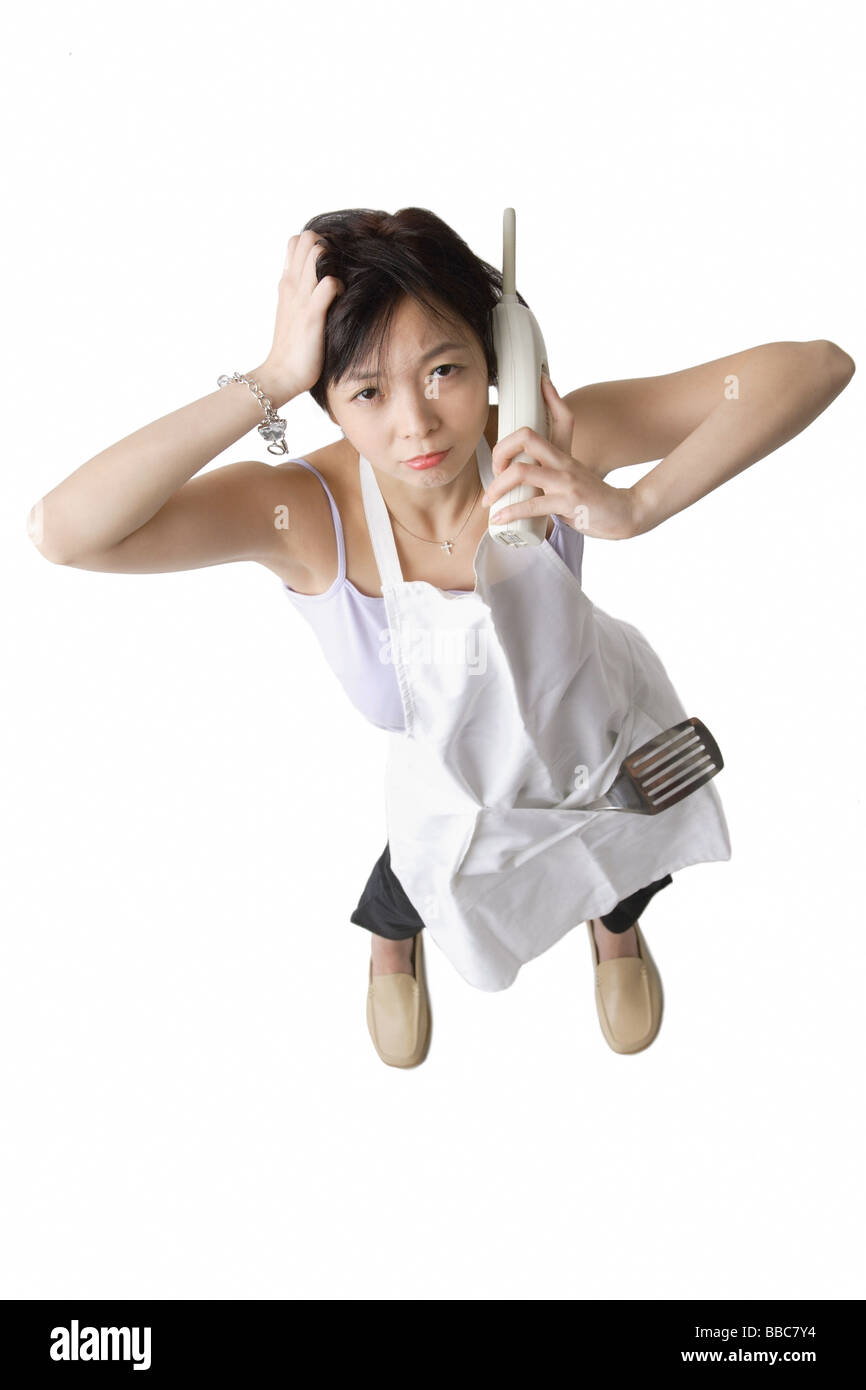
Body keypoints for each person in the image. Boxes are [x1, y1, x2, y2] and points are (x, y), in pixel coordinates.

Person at [28, 208, 856, 1070]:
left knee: (624, 853)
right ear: (326, 400)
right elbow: (65, 532)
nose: (417, 426)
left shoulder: (547, 447)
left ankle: (612, 926)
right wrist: (269, 377)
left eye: (445, 370)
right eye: (368, 391)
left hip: (596, 746)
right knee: (417, 881)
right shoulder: (302, 516)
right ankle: (392, 944)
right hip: (453, 797)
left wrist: (633, 506)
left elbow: (815, 368)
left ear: (500, 356)